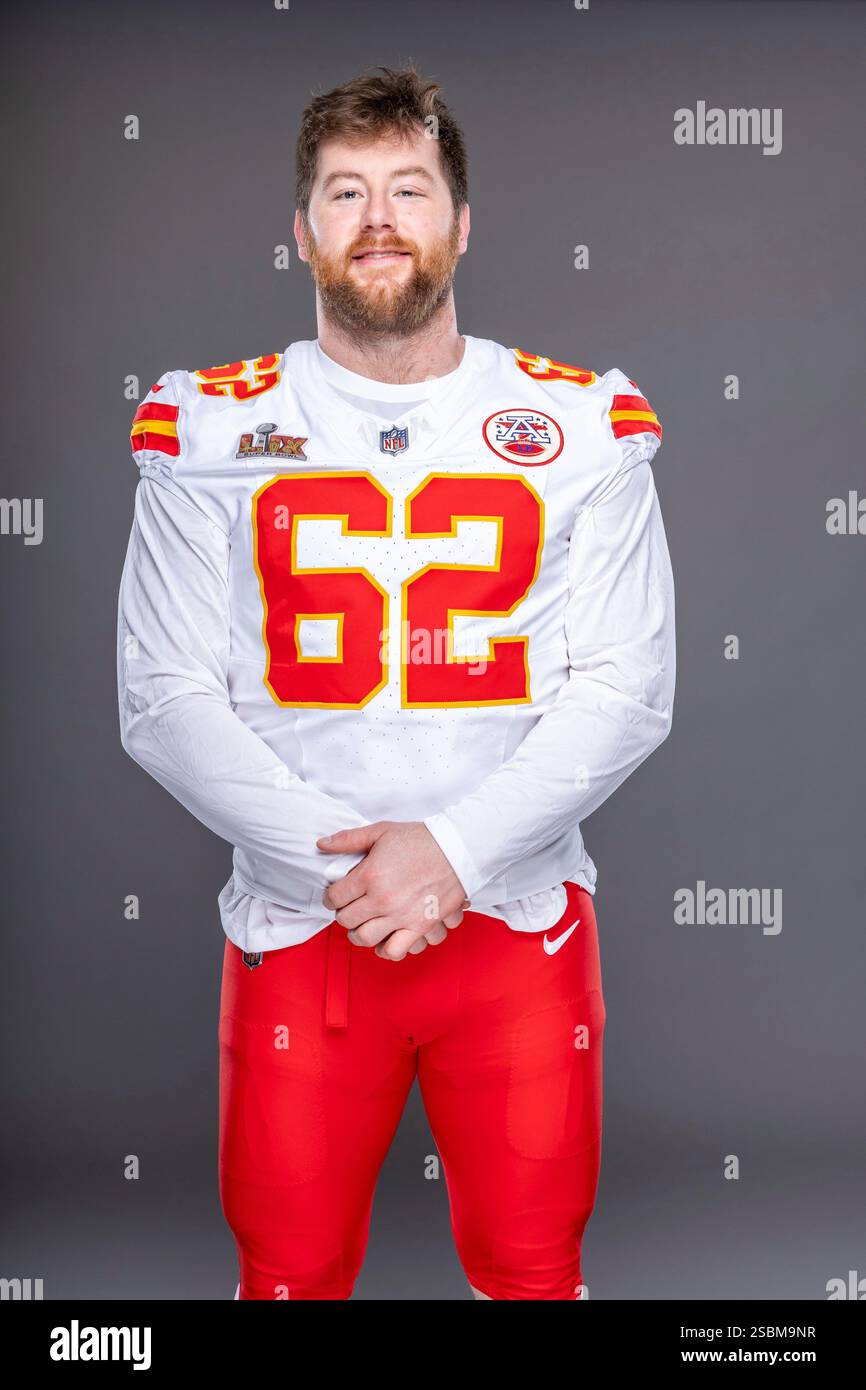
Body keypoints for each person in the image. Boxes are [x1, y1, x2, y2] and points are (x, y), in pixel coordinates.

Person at [117, 63, 676, 1301]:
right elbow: (162, 696)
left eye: (407, 188)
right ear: (301, 233)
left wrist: (455, 853)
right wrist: (356, 872)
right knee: (288, 1276)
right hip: (301, 931)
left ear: (459, 224)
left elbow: (625, 687)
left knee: (532, 1273)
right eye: (344, 191)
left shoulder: (577, 421)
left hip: (516, 926)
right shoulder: (209, 423)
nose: (377, 216)